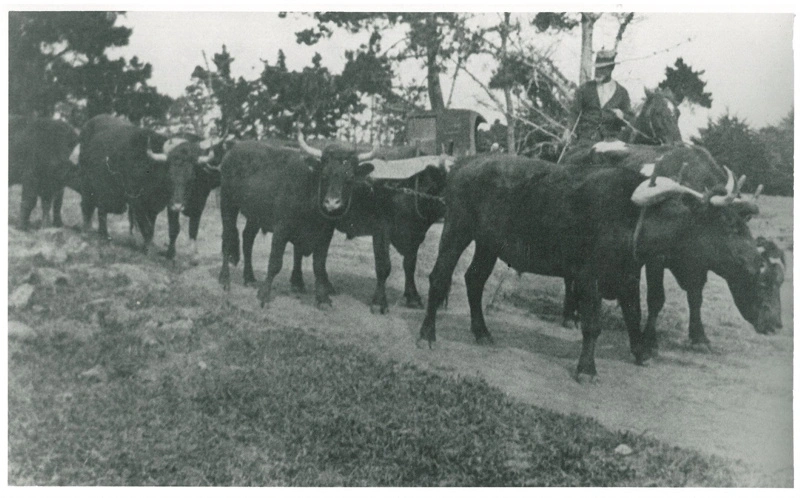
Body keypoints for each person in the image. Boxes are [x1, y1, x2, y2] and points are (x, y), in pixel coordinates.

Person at [564, 50, 634, 145]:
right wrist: (568, 129)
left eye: (602, 68)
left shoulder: (622, 92)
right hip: (586, 141)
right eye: (597, 68)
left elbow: (630, 118)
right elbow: (574, 112)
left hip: (611, 143)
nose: (597, 72)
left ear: (611, 68)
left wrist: (622, 115)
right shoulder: (585, 88)